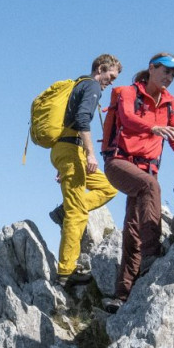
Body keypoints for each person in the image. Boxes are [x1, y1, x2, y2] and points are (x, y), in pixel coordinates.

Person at [101, 52, 174, 306]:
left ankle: (122, 295)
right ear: (151, 69)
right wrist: (153, 128)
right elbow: (126, 118)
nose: (169, 77)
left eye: (173, 74)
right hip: (119, 163)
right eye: (165, 71)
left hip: (145, 171)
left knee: (133, 228)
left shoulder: (169, 103)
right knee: (150, 186)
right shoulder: (128, 93)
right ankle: (152, 253)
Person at [50, 53, 122, 291]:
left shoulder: (79, 84)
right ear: (100, 68)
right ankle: (66, 272)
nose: (110, 81)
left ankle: (64, 211)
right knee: (78, 213)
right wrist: (91, 153)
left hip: (69, 152)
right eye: (110, 76)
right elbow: (82, 119)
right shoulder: (91, 86)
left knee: (108, 188)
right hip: (73, 150)